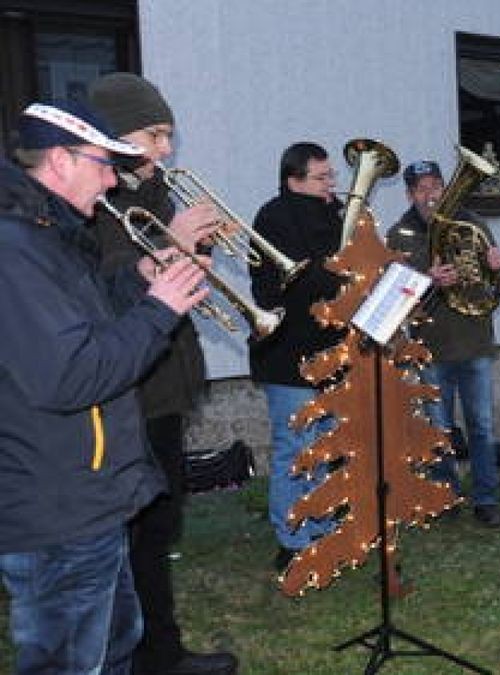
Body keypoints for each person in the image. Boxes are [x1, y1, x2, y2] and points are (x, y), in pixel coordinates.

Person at [0, 101, 207, 675]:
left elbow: (83, 324)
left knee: (113, 648)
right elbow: (72, 373)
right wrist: (161, 310)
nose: (114, 179)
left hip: (89, 497)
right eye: (103, 164)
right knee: (70, 662)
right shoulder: (15, 248)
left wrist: (138, 283)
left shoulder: (49, 236)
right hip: (57, 506)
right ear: (62, 162)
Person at [88, 72, 238, 675]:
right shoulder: (91, 200)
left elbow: (171, 279)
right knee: (131, 536)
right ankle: (136, 657)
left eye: (168, 135)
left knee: (161, 525)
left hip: (167, 381)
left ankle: (163, 652)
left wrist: (198, 256)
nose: (167, 150)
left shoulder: (150, 194)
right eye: (156, 134)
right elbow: (102, 285)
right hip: (125, 391)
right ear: (114, 134)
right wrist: (169, 247)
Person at [385, 160, 500, 527]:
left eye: (436, 185)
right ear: (409, 194)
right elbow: (396, 298)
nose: (431, 194)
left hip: (475, 342)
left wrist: (499, 266)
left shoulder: (472, 222)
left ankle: (486, 500)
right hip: (431, 347)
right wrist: (429, 281)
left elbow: (495, 282)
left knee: (482, 427)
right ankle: (445, 497)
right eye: (421, 188)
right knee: (438, 431)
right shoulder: (399, 235)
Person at [249, 143, 346, 569]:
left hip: (332, 350)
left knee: (324, 446)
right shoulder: (274, 217)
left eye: (332, 177)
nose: (332, 185)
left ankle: (320, 527)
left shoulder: (336, 215)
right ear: (295, 180)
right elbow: (285, 286)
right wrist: (340, 269)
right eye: (322, 178)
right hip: (288, 356)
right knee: (296, 449)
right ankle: (291, 540)